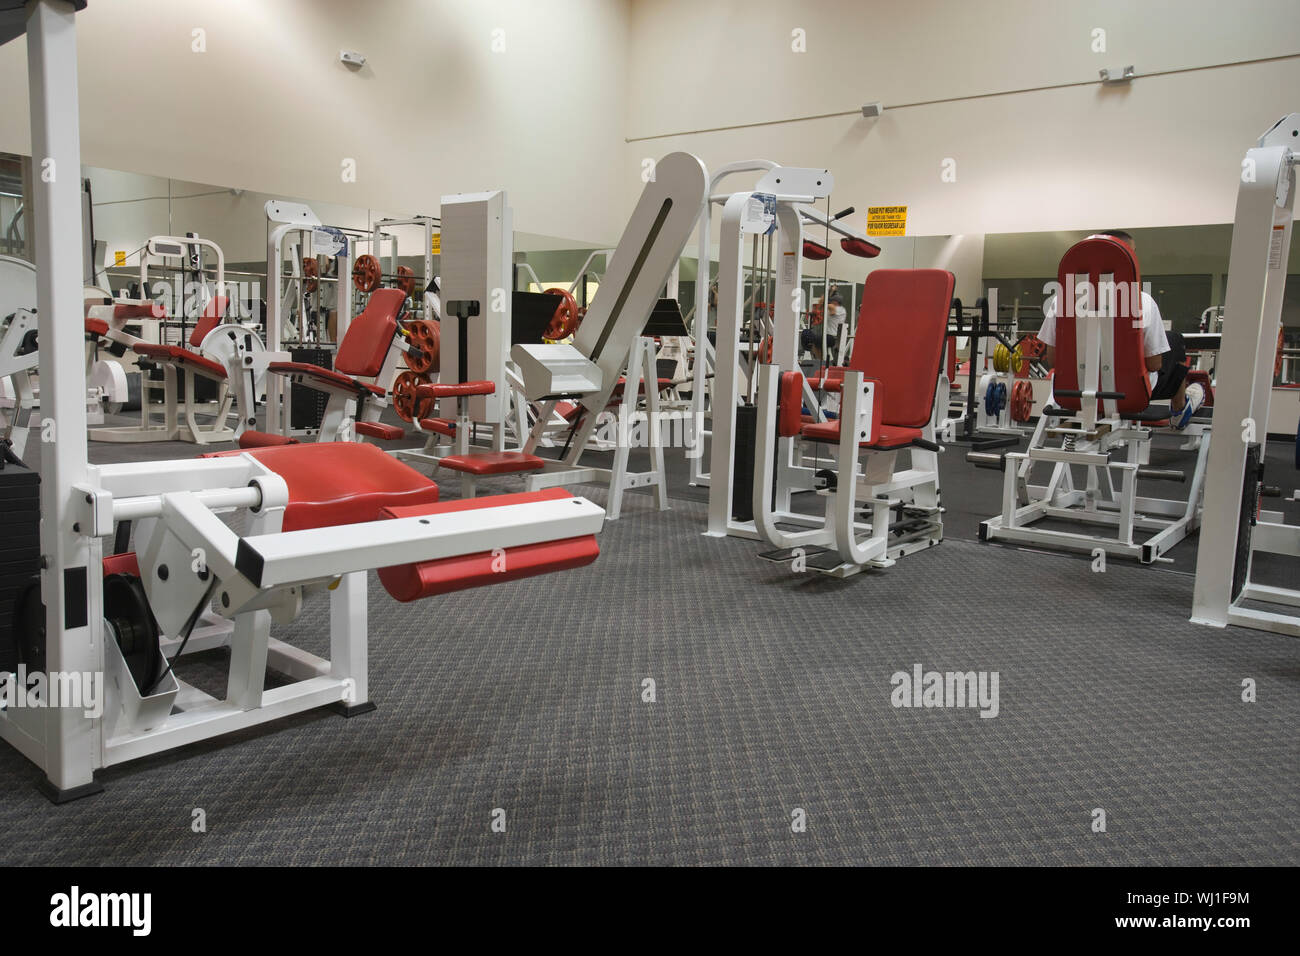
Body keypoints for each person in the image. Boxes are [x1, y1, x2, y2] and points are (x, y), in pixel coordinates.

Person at [1038, 230, 1204, 428]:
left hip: (1072, 393)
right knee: (1175, 342)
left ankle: (1181, 402)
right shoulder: (1143, 301)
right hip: (1129, 394)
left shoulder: (1061, 300)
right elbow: (1154, 364)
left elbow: (1053, 360)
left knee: (1171, 342)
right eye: (1131, 255)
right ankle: (1180, 406)